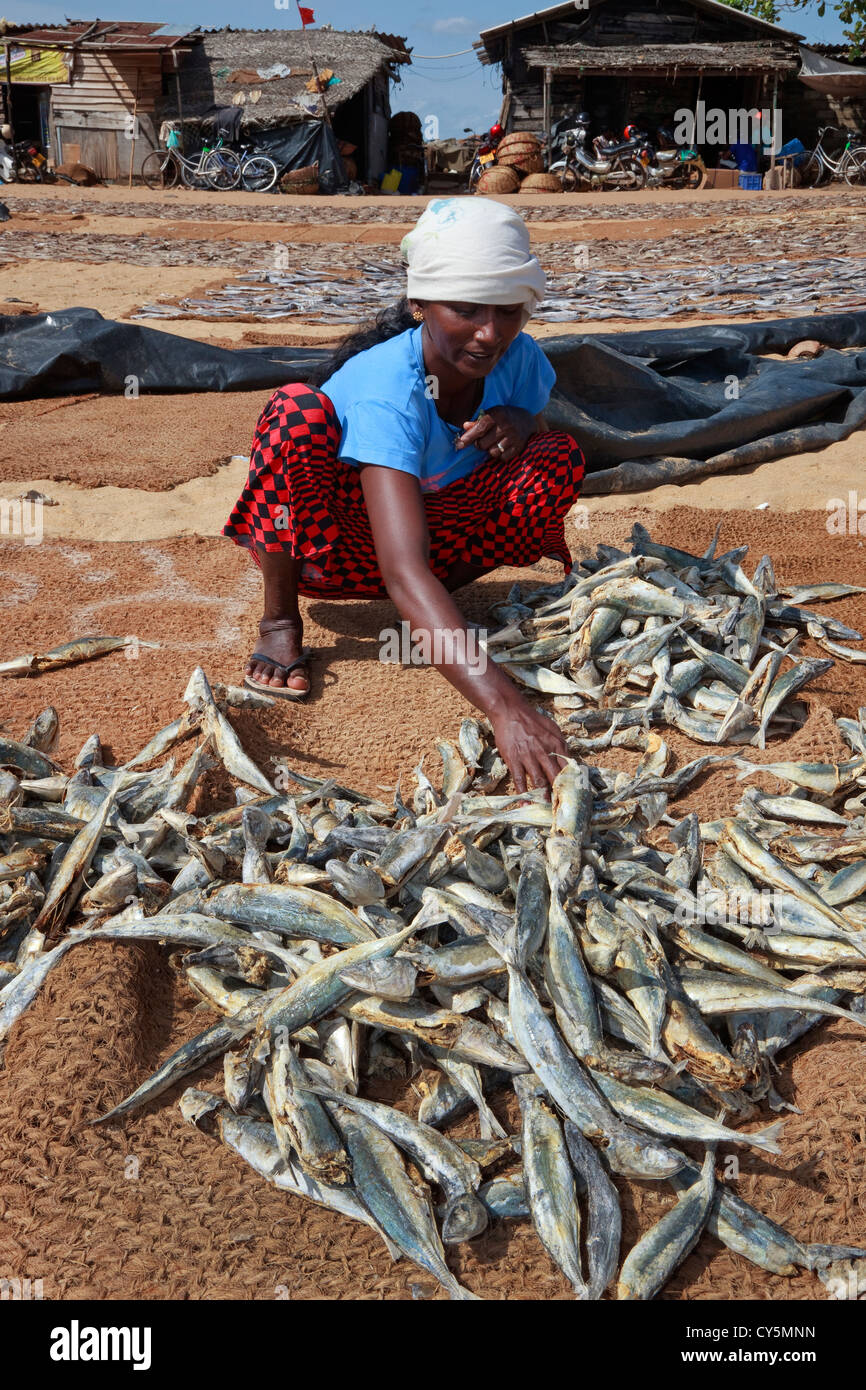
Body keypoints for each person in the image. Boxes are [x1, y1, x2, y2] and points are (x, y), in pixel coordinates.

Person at [223, 197, 586, 792]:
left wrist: (524, 421)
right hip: (335, 548)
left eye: (508, 310)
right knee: (295, 412)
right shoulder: (389, 389)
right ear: (419, 304)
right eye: (465, 309)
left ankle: (434, 611)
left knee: (555, 456)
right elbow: (400, 568)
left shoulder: (519, 359)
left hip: (435, 536)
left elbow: (536, 440)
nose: (489, 332)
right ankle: (279, 621)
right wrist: (506, 708)